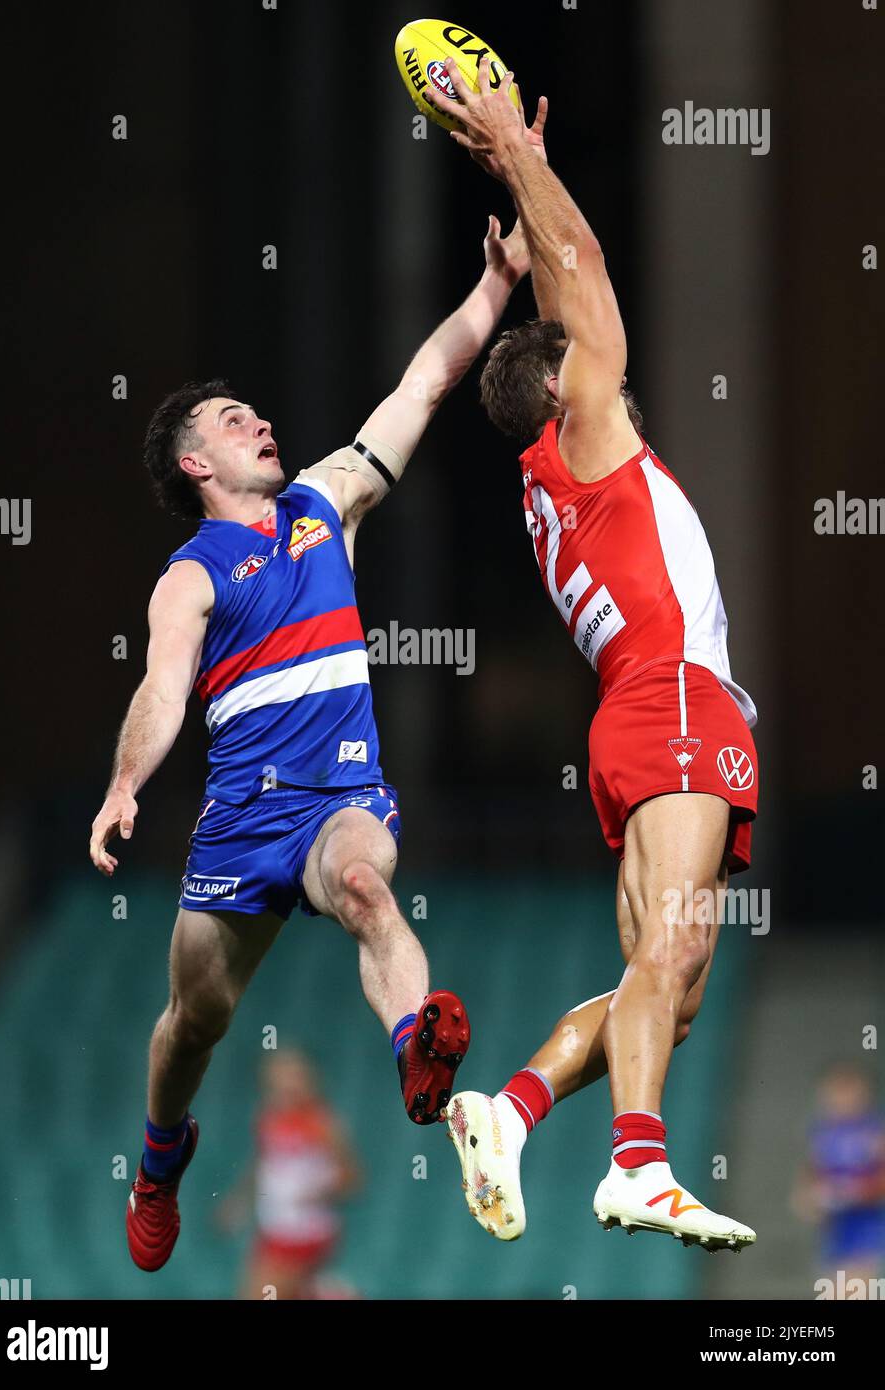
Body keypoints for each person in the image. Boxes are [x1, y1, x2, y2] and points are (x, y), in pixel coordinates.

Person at [88, 215, 530, 1270]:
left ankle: (414, 1053)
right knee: (192, 1024)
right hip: (243, 820)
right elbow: (161, 688)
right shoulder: (191, 575)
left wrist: (496, 286)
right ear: (197, 461)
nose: (260, 422)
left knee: (371, 890)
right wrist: (122, 785)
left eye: (257, 411)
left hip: (339, 801)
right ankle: (159, 1163)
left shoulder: (327, 501)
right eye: (234, 421)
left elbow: (422, 383)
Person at [426, 58, 757, 1250]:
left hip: (636, 714)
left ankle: (509, 1108)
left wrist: (523, 179)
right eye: (579, 354)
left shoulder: (546, 484)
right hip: (671, 699)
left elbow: (569, 283)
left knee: (669, 989)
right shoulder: (589, 427)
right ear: (563, 385)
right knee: (672, 950)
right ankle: (638, 1166)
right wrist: (518, 148)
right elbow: (589, 273)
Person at [217, 1049, 361, 1300]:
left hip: (306, 1230)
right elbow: (262, 1164)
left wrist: (317, 1191)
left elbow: (353, 1178)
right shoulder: (269, 1118)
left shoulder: (322, 1123)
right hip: (275, 1227)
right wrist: (239, 1202)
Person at [792, 1063, 885, 1290]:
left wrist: (847, 1193)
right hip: (836, 1236)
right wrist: (808, 1198)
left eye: (847, 1090)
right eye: (834, 1090)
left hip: (869, 1233)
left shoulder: (874, 1131)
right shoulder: (822, 1131)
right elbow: (811, 1175)